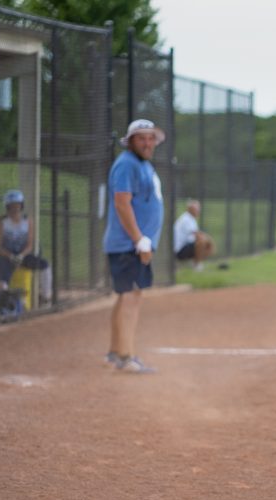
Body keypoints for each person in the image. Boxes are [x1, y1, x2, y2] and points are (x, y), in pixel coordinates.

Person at [103, 118, 165, 373]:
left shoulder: (142, 165)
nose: (147, 142)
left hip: (134, 244)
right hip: (129, 245)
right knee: (132, 297)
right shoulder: (127, 164)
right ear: (131, 141)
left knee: (126, 296)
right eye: (141, 138)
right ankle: (127, 357)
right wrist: (139, 239)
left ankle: (116, 353)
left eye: (151, 137)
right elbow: (121, 203)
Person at [0, 189, 50, 304]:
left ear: (21, 206)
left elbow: (30, 245)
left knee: (45, 266)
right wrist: (10, 256)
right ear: (7, 207)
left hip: (23, 256)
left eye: (17, 205)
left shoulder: (28, 221)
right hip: (6, 257)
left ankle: (45, 297)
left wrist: (21, 255)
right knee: (3, 281)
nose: (15, 208)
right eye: (12, 206)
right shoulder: (2, 222)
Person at [173, 200, 214, 271]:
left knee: (206, 243)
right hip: (179, 251)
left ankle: (193, 262)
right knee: (202, 242)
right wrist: (209, 240)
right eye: (196, 209)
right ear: (189, 209)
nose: (198, 211)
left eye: (198, 209)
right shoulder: (186, 219)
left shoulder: (190, 218)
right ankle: (196, 265)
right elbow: (199, 236)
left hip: (184, 247)